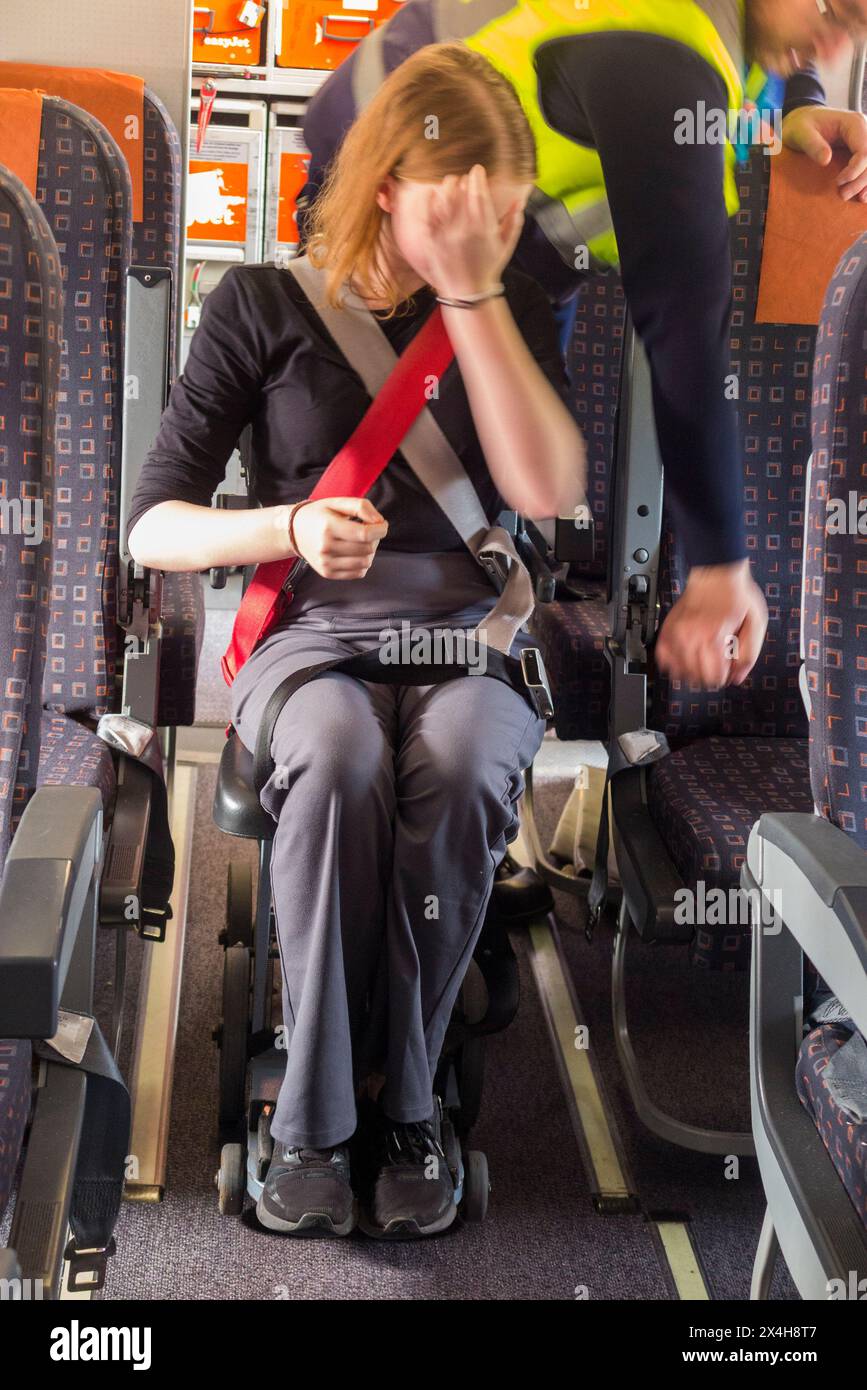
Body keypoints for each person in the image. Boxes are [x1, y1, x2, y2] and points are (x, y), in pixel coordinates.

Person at [127, 45, 585, 1238]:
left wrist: (477, 299)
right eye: (455, 206)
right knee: (339, 760)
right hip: (312, 625)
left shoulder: (511, 304)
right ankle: (316, 1121)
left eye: (499, 213)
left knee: (473, 753)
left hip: (466, 623)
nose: (479, 232)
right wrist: (284, 522)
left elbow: (548, 489)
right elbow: (152, 525)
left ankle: (413, 1103)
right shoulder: (262, 306)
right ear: (387, 182)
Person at [298, 0, 867, 689]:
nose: (835, 46)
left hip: (518, 254)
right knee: (386, 511)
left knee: (508, 489)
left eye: (859, 28)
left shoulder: (730, 29)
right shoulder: (658, 53)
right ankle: (337, 680)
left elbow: (765, 53)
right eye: (832, 10)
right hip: (391, 210)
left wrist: (796, 102)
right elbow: (685, 330)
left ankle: (454, 687)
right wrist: (717, 566)